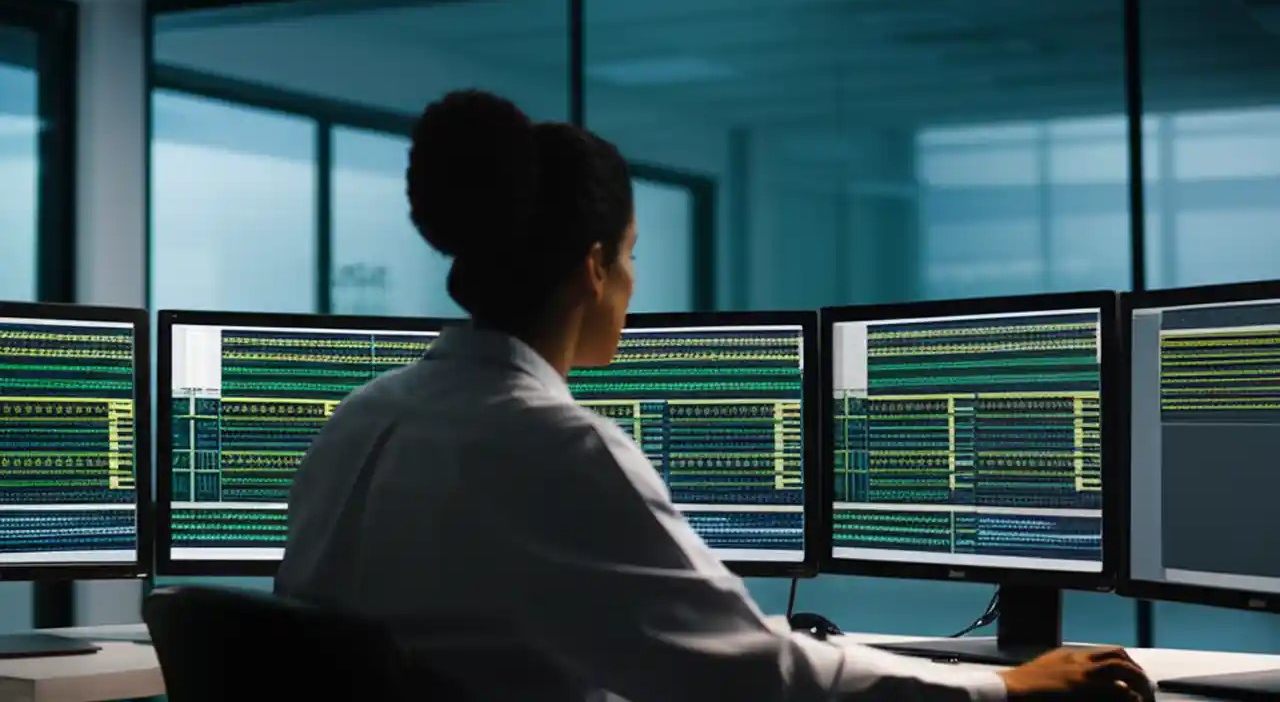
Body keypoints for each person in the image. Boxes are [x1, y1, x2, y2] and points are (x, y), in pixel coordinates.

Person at [274, 89, 1151, 702]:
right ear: (593, 268)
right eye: (630, 255)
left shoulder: (362, 417)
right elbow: (753, 676)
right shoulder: (553, 443)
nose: (632, 283)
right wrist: (1006, 689)